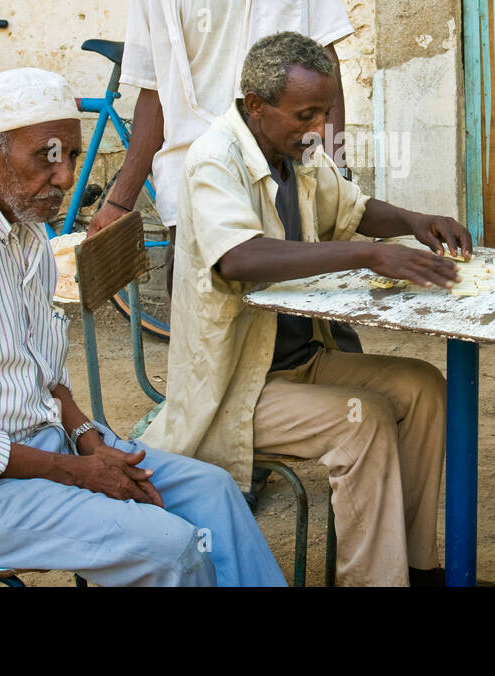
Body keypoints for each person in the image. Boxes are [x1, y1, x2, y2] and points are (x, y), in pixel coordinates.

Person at [0, 68, 285, 587]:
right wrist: (76, 472)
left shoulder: (25, 228)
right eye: (47, 157)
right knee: (171, 549)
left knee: (212, 491)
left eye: (72, 156)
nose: (65, 178)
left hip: (44, 445)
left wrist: (85, 436)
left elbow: (44, 370)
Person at [140, 32, 473, 586]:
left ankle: (418, 568)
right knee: (363, 420)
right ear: (255, 105)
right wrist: (369, 255)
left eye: (323, 112)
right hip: (238, 386)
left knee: (424, 389)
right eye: (304, 115)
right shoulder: (214, 161)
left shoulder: (296, 155)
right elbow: (240, 258)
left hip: (300, 360)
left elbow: (355, 209)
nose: (317, 127)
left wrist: (416, 222)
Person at [90, 0, 354, 293]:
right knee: (204, 325)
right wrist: (119, 201)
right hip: (196, 184)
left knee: (302, 318)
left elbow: (326, 68)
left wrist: (333, 167)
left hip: (289, 177)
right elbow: (153, 97)